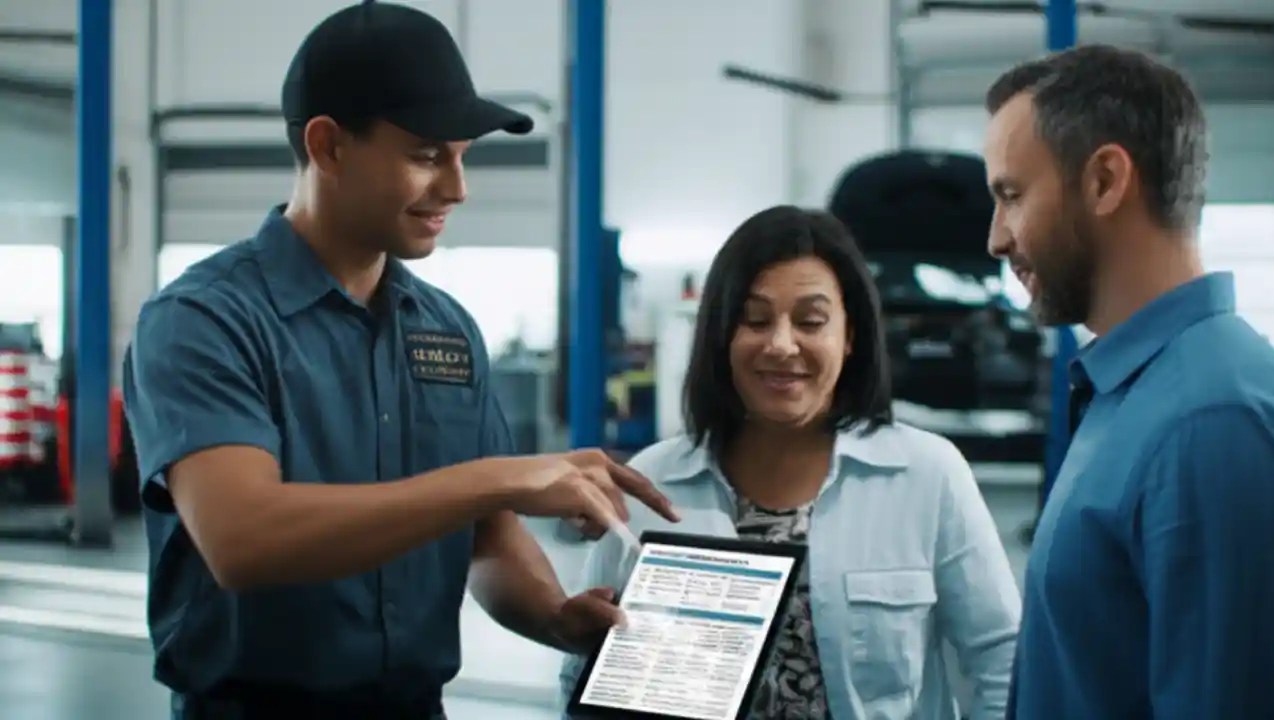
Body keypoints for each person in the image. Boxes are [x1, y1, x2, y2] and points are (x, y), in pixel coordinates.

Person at [121, 4, 677, 718]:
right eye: (425, 154)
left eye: (462, 155)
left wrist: (555, 616)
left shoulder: (446, 328)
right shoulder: (204, 320)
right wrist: (493, 478)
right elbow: (242, 537)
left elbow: (489, 539)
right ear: (328, 146)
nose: (457, 187)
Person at [559, 206, 1022, 719]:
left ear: (849, 336)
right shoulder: (651, 483)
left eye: (811, 321)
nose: (781, 345)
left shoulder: (928, 475)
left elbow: (1002, 659)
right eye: (755, 320)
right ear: (721, 335)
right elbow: (582, 671)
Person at [983, 44, 1274, 719]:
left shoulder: (1211, 422)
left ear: (1104, 182)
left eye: (1011, 195)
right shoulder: (1136, 394)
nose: (997, 238)